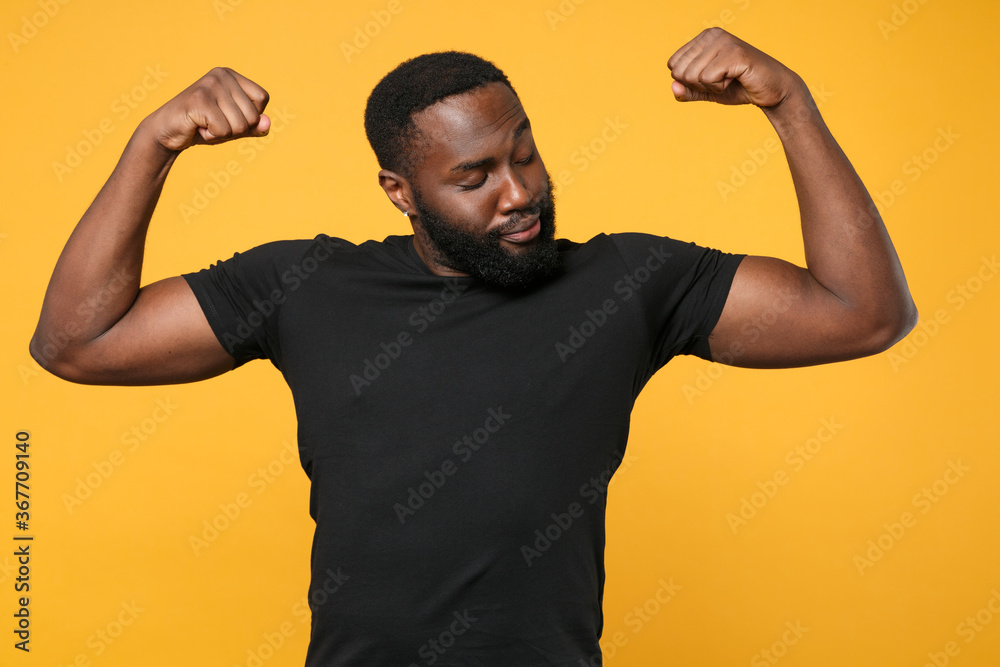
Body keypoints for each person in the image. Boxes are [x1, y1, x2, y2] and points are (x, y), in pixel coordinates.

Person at [31, 28, 916, 666]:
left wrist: (788, 104)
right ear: (399, 191)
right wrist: (153, 145)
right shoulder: (304, 286)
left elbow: (863, 312)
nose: (519, 192)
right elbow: (75, 341)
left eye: (525, 155)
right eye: (475, 176)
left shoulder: (624, 284)